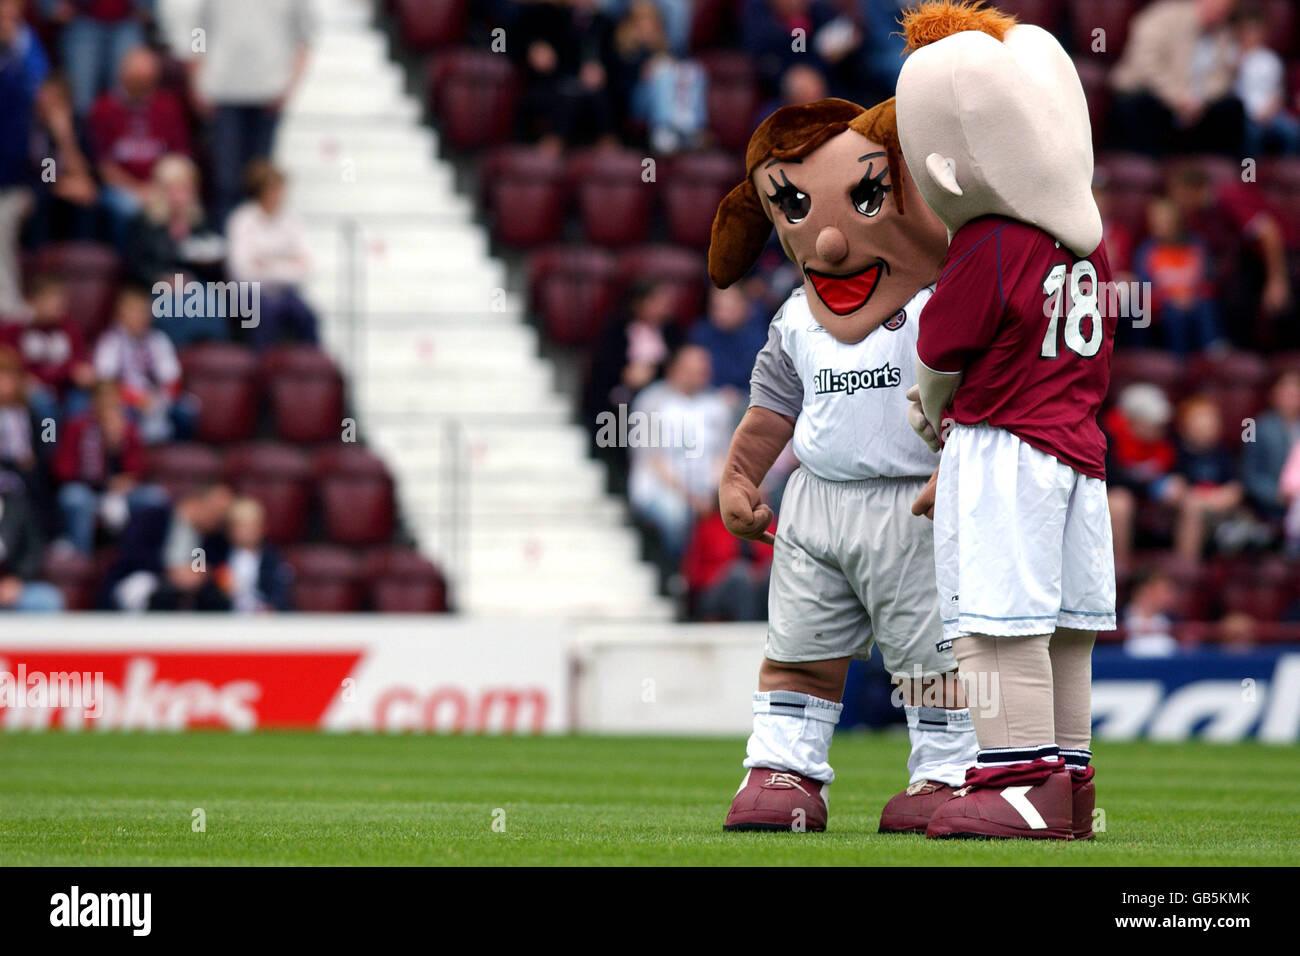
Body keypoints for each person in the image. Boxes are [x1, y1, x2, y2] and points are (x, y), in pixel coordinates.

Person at [707, 96, 977, 834]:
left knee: (933, 659)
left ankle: (949, 773)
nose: (827, 242)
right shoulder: (794, 318)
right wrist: (738, 478)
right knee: (799, 647)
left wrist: (955, 468)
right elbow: (771, 409)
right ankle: (783, 767)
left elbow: (977, 399)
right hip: (815, 504)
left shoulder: (938, 303)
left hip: (914, 501)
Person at [899, 2, 1116, 840]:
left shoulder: (993, 238)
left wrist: (934, 420)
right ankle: (1068, 787)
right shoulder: (1091, 246)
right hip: (1079, 454)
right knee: (1067, 632)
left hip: (1009, 446)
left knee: (997, 626)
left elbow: (942, 348)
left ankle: (1018, 786)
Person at [190, 0, 315, 226]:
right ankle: (225, 240)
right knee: (225, 177)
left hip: (267, 91)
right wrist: (197, 79)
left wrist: (290, 86)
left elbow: (304, 38)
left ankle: (259, 244)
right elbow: (199, 31)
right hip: (224, 91)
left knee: (260, 180)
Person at [626, 344, 731, 566]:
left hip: (705, 492)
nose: (699, 376)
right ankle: (678, 571)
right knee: (677, 516)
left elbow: (722, 457)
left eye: (703, 370)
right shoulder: (650, 401)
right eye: (692, 370)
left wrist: (713, 495)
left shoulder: (717, 405)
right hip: (659, 487)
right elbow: (653, 461)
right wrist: (691, 497)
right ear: (674, 370)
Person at [1109, 0, 1244, 157]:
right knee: (1136, 105)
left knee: (1232, 108)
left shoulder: (1225, 34)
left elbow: (1223, 77)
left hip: (1199, 108)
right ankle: (1147, 166)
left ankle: (1207, 169)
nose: (1218, 13)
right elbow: (1145, 64)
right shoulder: (1162, 17)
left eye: (1224, 10)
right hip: (1156, 97)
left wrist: (1200, 100)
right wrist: (1177, 97)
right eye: (1215, 6)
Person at [88, 45, 192, 240]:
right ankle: (130, 265)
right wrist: (138, 190)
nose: (144, 85)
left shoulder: (168, 106)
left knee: (183, 204)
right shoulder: (104, 109)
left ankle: (174, 262)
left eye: (148, 79)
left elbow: (179, 157)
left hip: (163, 186)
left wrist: (163, 190)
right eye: (138, 79)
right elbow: (104, 167)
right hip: (121, 187)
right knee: (130, 208)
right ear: (123, 76)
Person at [52, 380, 158, 554]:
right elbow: (61, 470)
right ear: (93, 403)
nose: (108, 406)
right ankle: (81, 556)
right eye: (103, 400)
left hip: (120, 492)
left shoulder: (129, 428)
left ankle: (134, 556)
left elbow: (137, 469)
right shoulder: (76, 426)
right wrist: (98, 464)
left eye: (113, 400)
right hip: (88, 490)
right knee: (73, 497)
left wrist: (117, 449)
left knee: (153, 498)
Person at [225, 159, 318, 350]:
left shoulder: (291, 220)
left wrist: (266, 265)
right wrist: (286, 264)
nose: (280, 196)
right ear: (261, 191)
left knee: (306, 315)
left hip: (285, 293)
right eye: (275, 190)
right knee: (264, 312)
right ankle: (263, 370)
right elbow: (242, 272)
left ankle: (310, 371)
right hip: (249, 294)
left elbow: (307, 268)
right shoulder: (242, 220)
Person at [93, 284, 189, 443]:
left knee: (185, 412)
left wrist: (159, 400)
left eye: (142, 311)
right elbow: (105, 384)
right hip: (125, 403)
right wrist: (136, 398)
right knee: (121, 414)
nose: (139, 316)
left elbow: (173, 380)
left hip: (157, 400)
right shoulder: (110, 342)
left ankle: (180, 457)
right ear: (120, 314)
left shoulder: (159, 340)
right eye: (133, 311)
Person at [1134, 197, 1225, 355]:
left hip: (1194, 300)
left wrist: (1191, 296)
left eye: (1163, 219)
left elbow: (1208, 282)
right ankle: (1177, 362)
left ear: (1177, 220)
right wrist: (1170, 297)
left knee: (1205, 307)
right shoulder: (1146, 250)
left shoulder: (1196, 245)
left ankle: (1214, 352)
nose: (1157, 224)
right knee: (1174, 315)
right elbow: (1144, 288)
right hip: (1164, 305)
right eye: (1154, 219)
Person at [1, 273, 95, 421]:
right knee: (44, 407)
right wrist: (23, 378)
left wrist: (81, 371)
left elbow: (81, 363)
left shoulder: (70, 329)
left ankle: (72, 444)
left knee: (80, 404)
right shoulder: (16, 329)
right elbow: (9, 362)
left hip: (64, 388)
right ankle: (49, 442)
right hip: (32, 390)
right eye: (52, 299)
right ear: (34, 300)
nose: (59, 305)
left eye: (61, 299)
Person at [40, 0, 152, 115]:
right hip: (83, 18)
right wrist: (51, 5)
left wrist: (147, 6)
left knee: (124, 92)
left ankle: (122, 128)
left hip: (127, 19)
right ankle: (82, 128)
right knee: (82, 93)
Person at [1171, 394, 1244, 560]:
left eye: (1211, 423)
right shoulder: (1176, 453)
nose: (1206, 428)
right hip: (1187, 510)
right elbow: (1175, 487)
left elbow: (1235, 489)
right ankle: (1186, 566)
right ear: (1185, 426)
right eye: (1199, 423)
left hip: (1218, 508)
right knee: (1193, 506)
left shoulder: (1224, 454)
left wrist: (1211, 499)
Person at [1234, 3, 1300, 156]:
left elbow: (1279, 93)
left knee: (1292, 131)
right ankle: (1248, 174)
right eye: (1246, 31)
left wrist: (1268, 112)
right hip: (1244, 116)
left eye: (1255, 31)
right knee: (1251, 132)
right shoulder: (1232, 56)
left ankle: (1289, 173)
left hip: (1269, 114)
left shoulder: (1270, 59)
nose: (1251, 36)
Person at [0, 468, 63, 612]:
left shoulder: (17, 510)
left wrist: (17, 580)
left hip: (12, 585)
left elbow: (33, 550)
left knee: (47, 600)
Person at [1242, 370, 1300, 520]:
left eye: (1295, 390)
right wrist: (1277, 495)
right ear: (1273, 394)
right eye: (1285, 390)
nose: (1291, 395)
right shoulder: (1252, 425)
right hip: (1273, 504)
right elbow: (1249, 473)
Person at [221, 496, 291, 612]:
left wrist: (270, 607)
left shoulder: (273, 557)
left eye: (250, 526)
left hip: (262, 623)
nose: (245, 532)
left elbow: (281, 593)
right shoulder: (217, 554)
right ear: (230, 529)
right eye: (240, 526)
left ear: (262, 528)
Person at [1122, 568, 1180, 657]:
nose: (1170, 596)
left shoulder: (1176, 621)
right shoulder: (1115, 621)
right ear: (1144, 591)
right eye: (1164, 591)